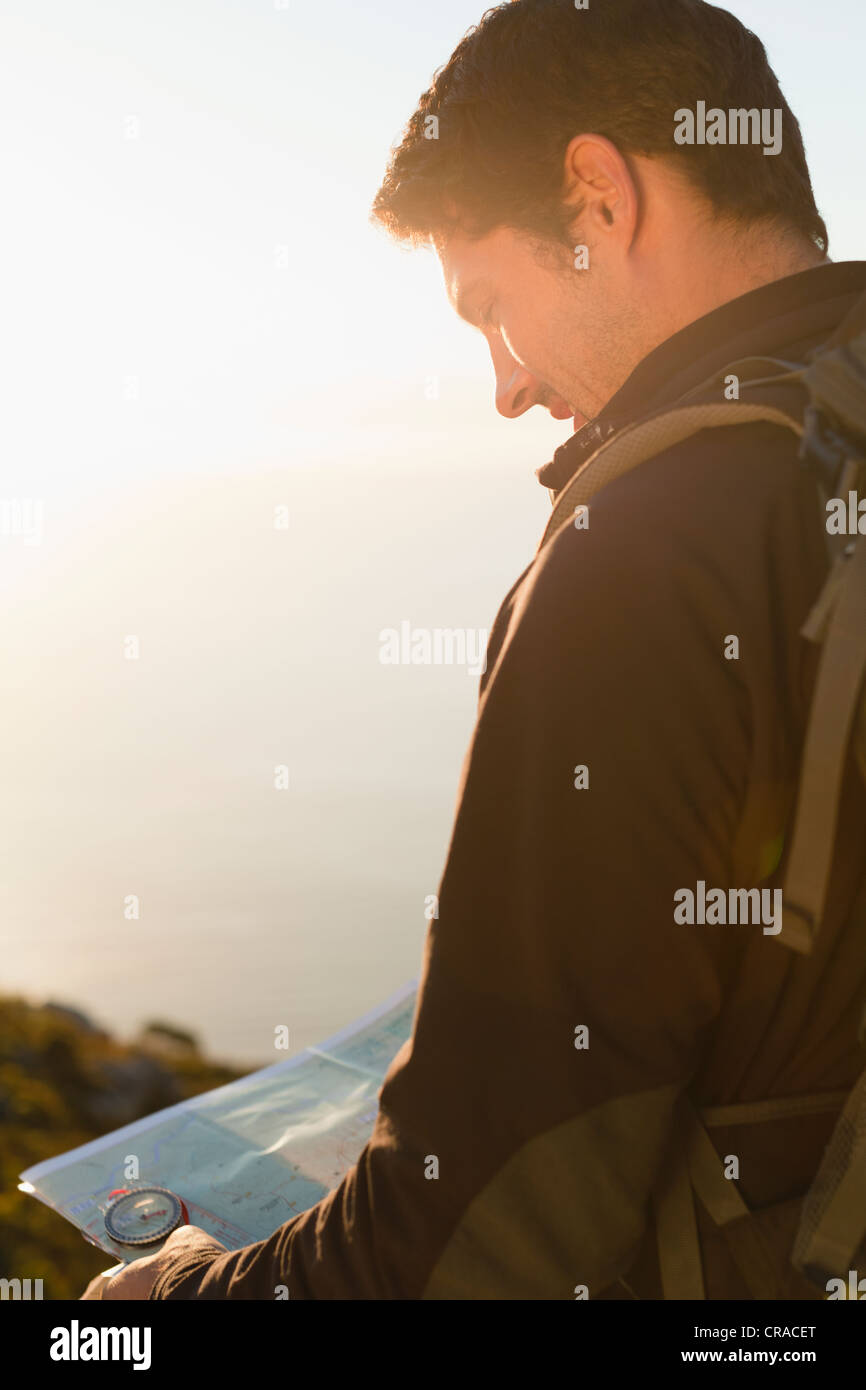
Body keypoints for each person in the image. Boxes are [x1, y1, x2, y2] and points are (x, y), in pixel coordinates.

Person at [85, 0, 866, 1300]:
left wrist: (160, 1304)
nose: (504, 386)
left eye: (490, 306)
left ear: (595, 198)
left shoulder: (646, 552)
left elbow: (469, 1246)